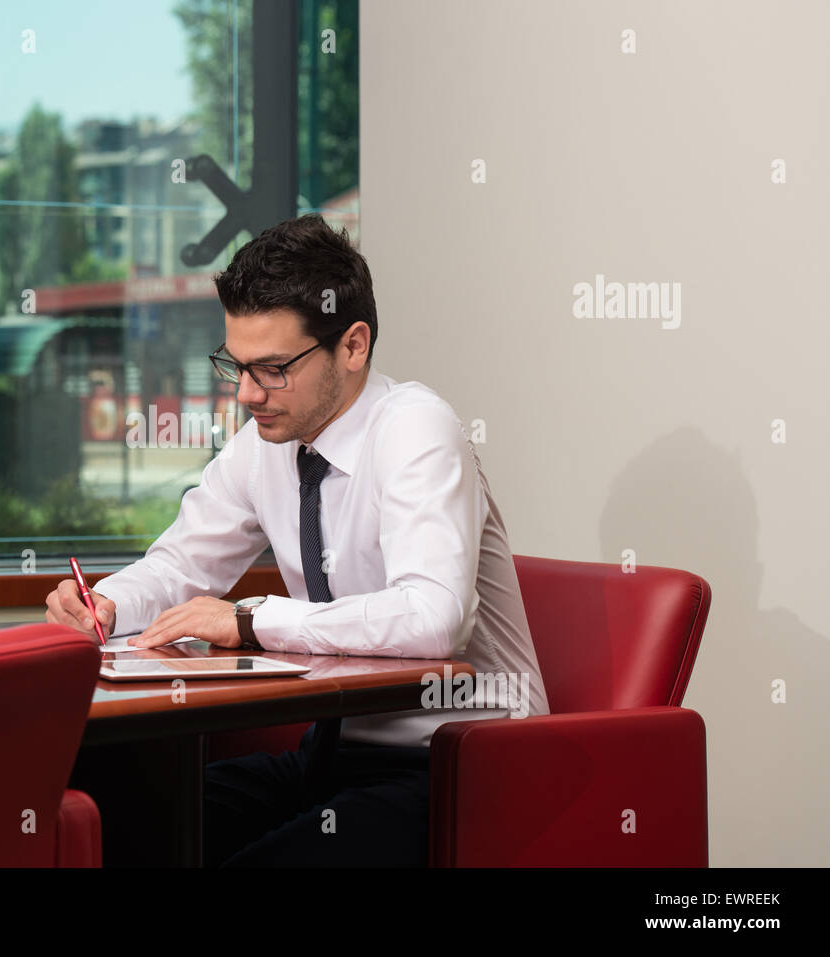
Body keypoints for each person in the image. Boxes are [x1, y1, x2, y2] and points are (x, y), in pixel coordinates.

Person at [44, 213, 548, 866]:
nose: (248, 393)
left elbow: (434, 620)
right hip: (332, 755)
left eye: (274, 367)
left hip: (460, 760)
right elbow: (180, 563)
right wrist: (107, 603)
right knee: (124, 825)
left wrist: (250, 621)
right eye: (237, 365)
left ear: (353, 345)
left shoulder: (415, 429)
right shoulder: (267, 439)